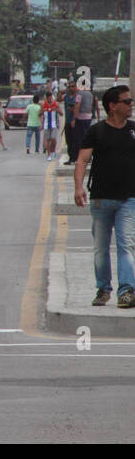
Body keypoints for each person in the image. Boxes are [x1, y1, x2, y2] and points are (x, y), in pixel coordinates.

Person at [73, 85, 135, 308]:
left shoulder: (133, 130)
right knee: (101, 248)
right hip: (100, 198)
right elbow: (82, 160)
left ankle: (127, 291)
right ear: (113, 106)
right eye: (126, 101)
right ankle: (103, 289)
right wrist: (78, 187)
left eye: (131, 101)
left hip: (129, 198)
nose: (131, 105)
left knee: (126, 244)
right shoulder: (96, 131)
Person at [71, 82, 96, 163]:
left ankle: (81, 157)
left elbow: (77, 106)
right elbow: (91, 105)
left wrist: (74, 119)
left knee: (79, 138)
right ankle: (89, 157)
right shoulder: (90, 94)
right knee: (87, 137)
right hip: (88, 117)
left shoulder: (79, 94)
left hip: (80, 118)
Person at [62, 81, 78, 164]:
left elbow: (78, 108)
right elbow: (59, 99)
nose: (71, 88)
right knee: (68, 141)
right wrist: (61, 92)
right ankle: (71, 158)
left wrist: (73, 112)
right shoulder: (66, 96)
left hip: (75, 121)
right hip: (67, 121)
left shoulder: (77, 97)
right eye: (70, 86)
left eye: (72, 86)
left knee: (75, 140)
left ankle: (75, 158)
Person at [41, 91, 61, 160]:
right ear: (46, 98)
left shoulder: (56, 104)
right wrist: (43, 110)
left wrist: (56, 109)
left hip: (54, 125)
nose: (50, 99)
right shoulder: (43, 104)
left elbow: (61, 113)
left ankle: (53, 151)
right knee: (48, 140)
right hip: (46, 125)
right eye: (48, 98)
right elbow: (40, 114)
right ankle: (49, 155)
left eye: (50, 98)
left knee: (53, 139)